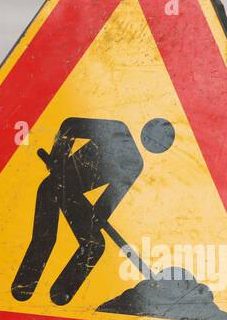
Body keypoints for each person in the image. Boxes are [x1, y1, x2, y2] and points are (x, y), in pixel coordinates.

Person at [13, 117, 174, 307]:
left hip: (71, 194)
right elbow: (69, 125)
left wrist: (96, 218)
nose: (154, 143)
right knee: (45, 237)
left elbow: (109, 200)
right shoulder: (116, 130)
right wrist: (59, 157)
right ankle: (24, 286)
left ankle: (61, 292)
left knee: (94, 243)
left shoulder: (135, 165)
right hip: (53, 184)